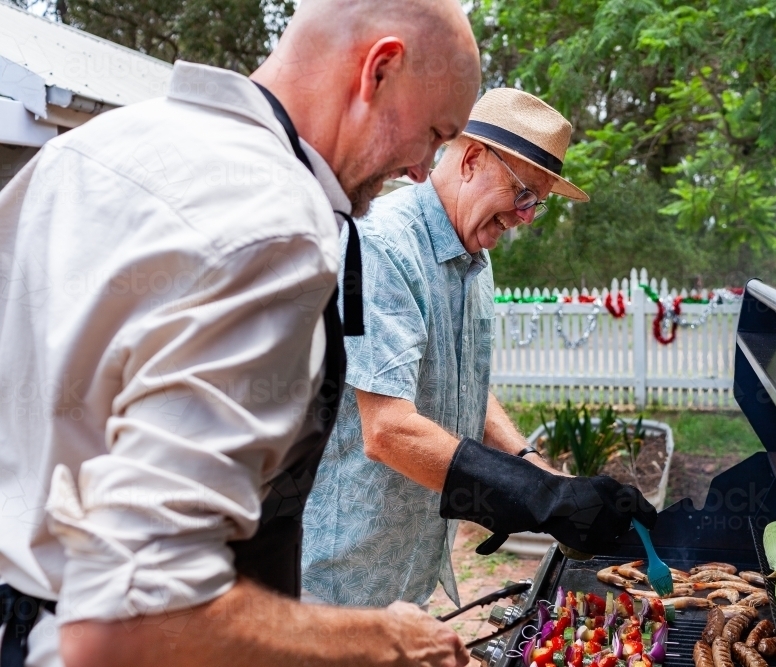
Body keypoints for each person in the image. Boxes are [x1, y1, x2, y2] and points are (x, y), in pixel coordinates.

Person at [0, 1, 480, 666]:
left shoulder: (80, 153)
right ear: (380, 69)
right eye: (434, 132)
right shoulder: (276, 227)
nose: (424, 171)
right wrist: (385, 637)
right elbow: (133, 618)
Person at [301, 88, 657, 608]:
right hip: (339, 579)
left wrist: (535, 471)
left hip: (408, 569)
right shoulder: (383, 246)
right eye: (526, 195)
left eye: (539, 203)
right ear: (471, 160)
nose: (528, 217)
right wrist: (535, 498)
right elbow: (387, 429)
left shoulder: (476, 260)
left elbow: (466, 385)